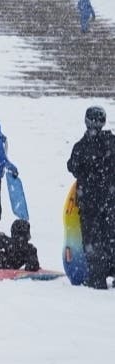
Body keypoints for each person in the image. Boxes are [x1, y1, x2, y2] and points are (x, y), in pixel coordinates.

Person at [67, 106, 115, 289]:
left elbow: (73, 167)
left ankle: (97, 277)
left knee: (93, 239)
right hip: (111, 199)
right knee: (111, 235)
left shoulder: (81, 147)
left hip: (90, 201)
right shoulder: (112, 142)